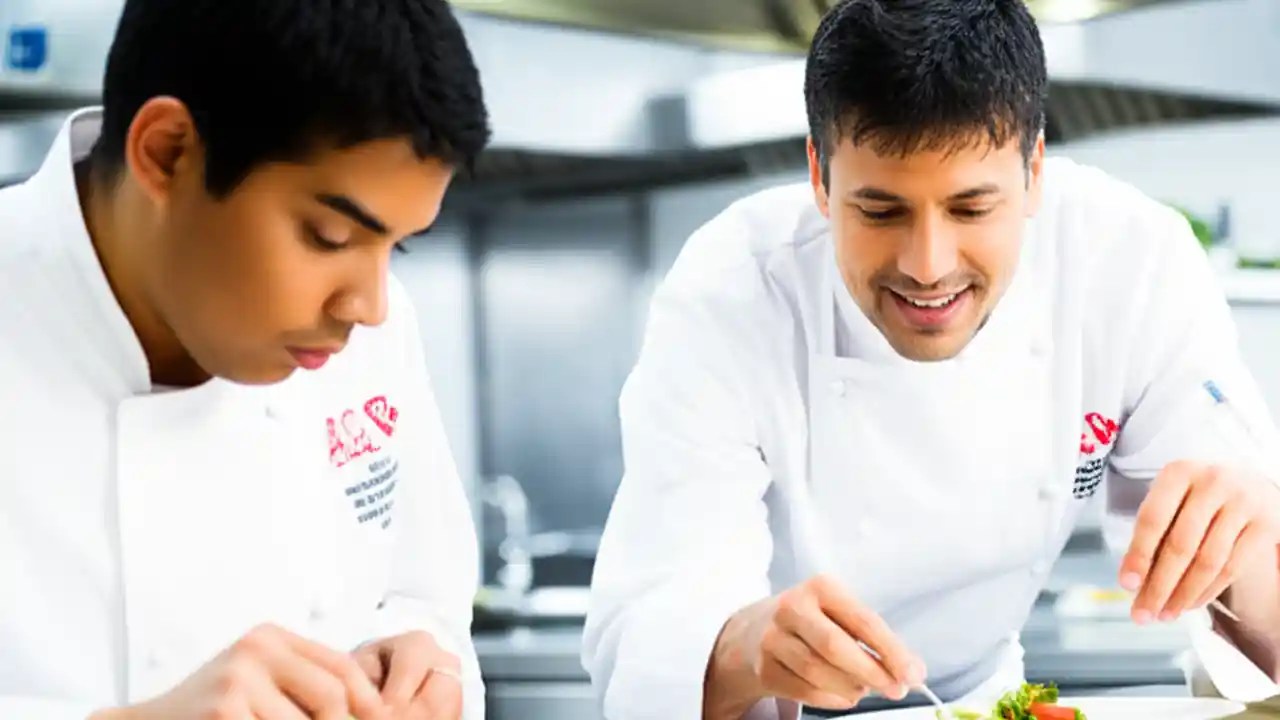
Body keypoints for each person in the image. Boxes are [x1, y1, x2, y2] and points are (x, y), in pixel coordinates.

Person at [582, 1, 1280, 718]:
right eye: (880, 212)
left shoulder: (1128, 262)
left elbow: (1248, 563)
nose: (927, 266)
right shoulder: (732, 291)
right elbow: (653, 633)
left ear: (1034, 169)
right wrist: (746, 645)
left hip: (991, 703)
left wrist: (1251, 545)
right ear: (819, 177)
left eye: (972, 209)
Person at [0, 0, 490, 718]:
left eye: (399, 246)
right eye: (327, 236)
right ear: (167, 152)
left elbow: (422, 601)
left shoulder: (380, 331)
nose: (368, 307)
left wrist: (413, 660)